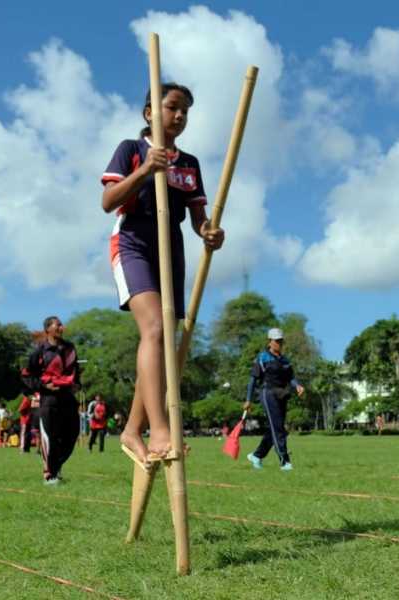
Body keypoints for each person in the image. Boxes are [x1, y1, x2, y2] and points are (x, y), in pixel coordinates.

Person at [101, 82, 224, 468]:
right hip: (133, 242)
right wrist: (145, 171)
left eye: (186, 110)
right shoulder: (131, 149)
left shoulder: (190, 164)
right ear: (149, 112)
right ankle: (160, 428)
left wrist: (210, 233)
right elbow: (108, 202)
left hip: (171, 251)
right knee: (153, 329)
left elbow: (200, 222)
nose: (180, 115)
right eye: (172, 107)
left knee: (162, 341)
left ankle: (131, 429)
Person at [21, 316, 81, 484]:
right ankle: (50, 474)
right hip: (49, 399)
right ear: (48, 329)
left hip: (68, 396)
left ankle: (56, 464)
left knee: (71, 434)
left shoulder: (70, 348)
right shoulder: (39, 351)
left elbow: (76, 369)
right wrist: (44, 387)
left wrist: (77, 384)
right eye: (58, 324)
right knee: (50, 437)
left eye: (62, 324)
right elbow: (27, 375)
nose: (62, 327)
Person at [244, 328, 305, 472]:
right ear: (269, 342)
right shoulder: (262, 358)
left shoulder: (285, 360)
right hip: (268, 393)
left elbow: (291, 378)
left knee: (275, 429)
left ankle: (257, 456)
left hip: (282, 394)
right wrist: (248, 400)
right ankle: (285, 462)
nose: (279, 343)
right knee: (278, 429)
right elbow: (252, 380)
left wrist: (298, 386)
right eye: (276, 341)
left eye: (281, 341)